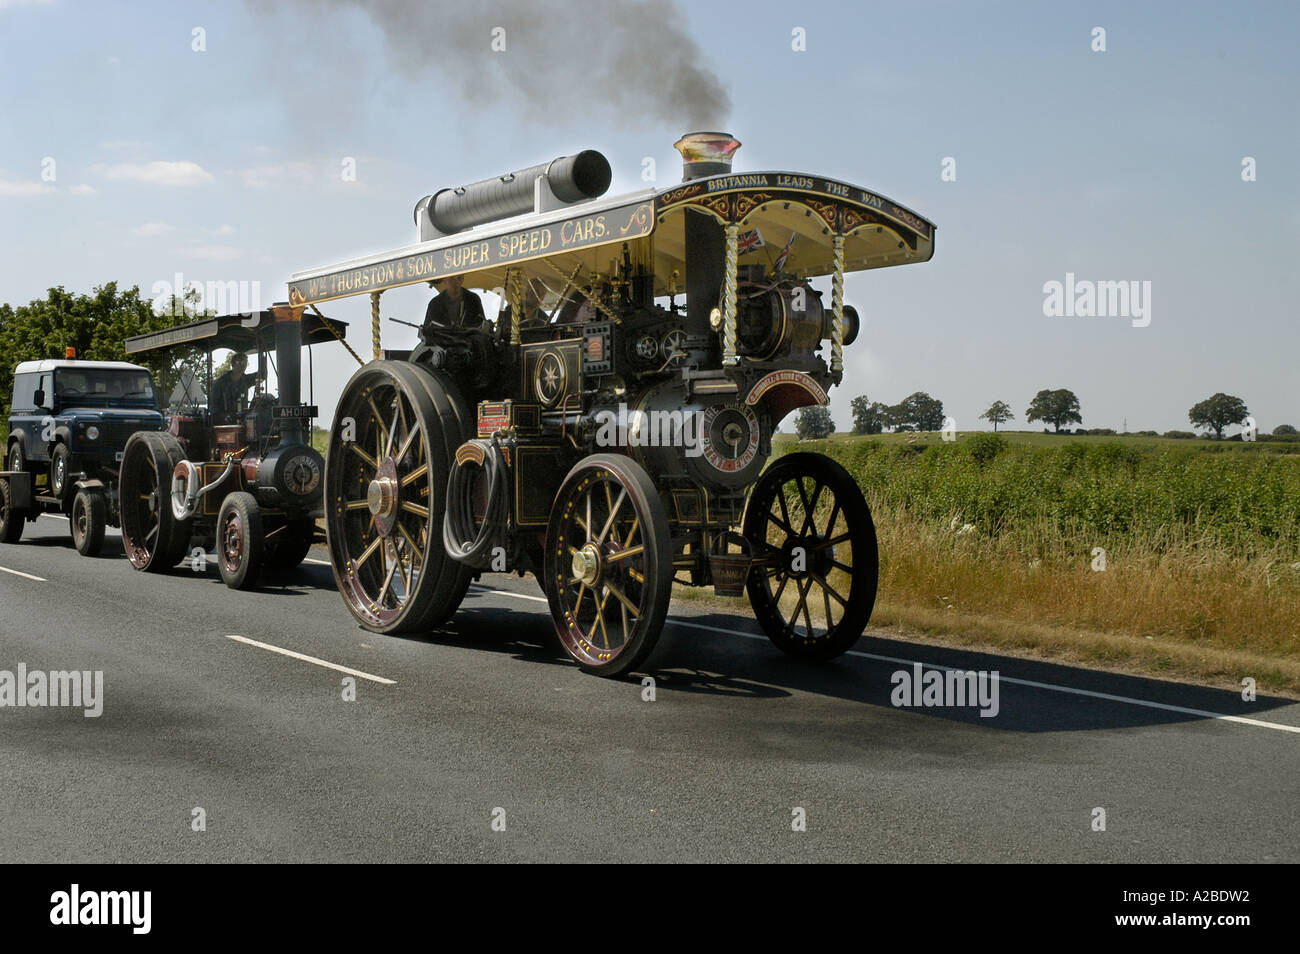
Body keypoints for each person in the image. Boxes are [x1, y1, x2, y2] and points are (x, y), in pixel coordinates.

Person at [422, 274, 486, 337]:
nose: (456, 282)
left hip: (469, 344)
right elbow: (426, 331)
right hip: (442, 344)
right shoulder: (435, 304)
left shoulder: (473, 299)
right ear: (444, 279)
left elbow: (482, 327)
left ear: (462, 279)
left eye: (459, 278)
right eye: (451, 278)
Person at [211, 352, 263, 424]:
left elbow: (262, 375)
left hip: (242, 422)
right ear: (232, 364)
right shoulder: (220, 383)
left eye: (245, 363)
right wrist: (226, 417)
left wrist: (262, 355)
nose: (242, 365)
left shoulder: (245, 380)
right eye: (239, 362)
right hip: (224, 425)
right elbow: (214, 409)